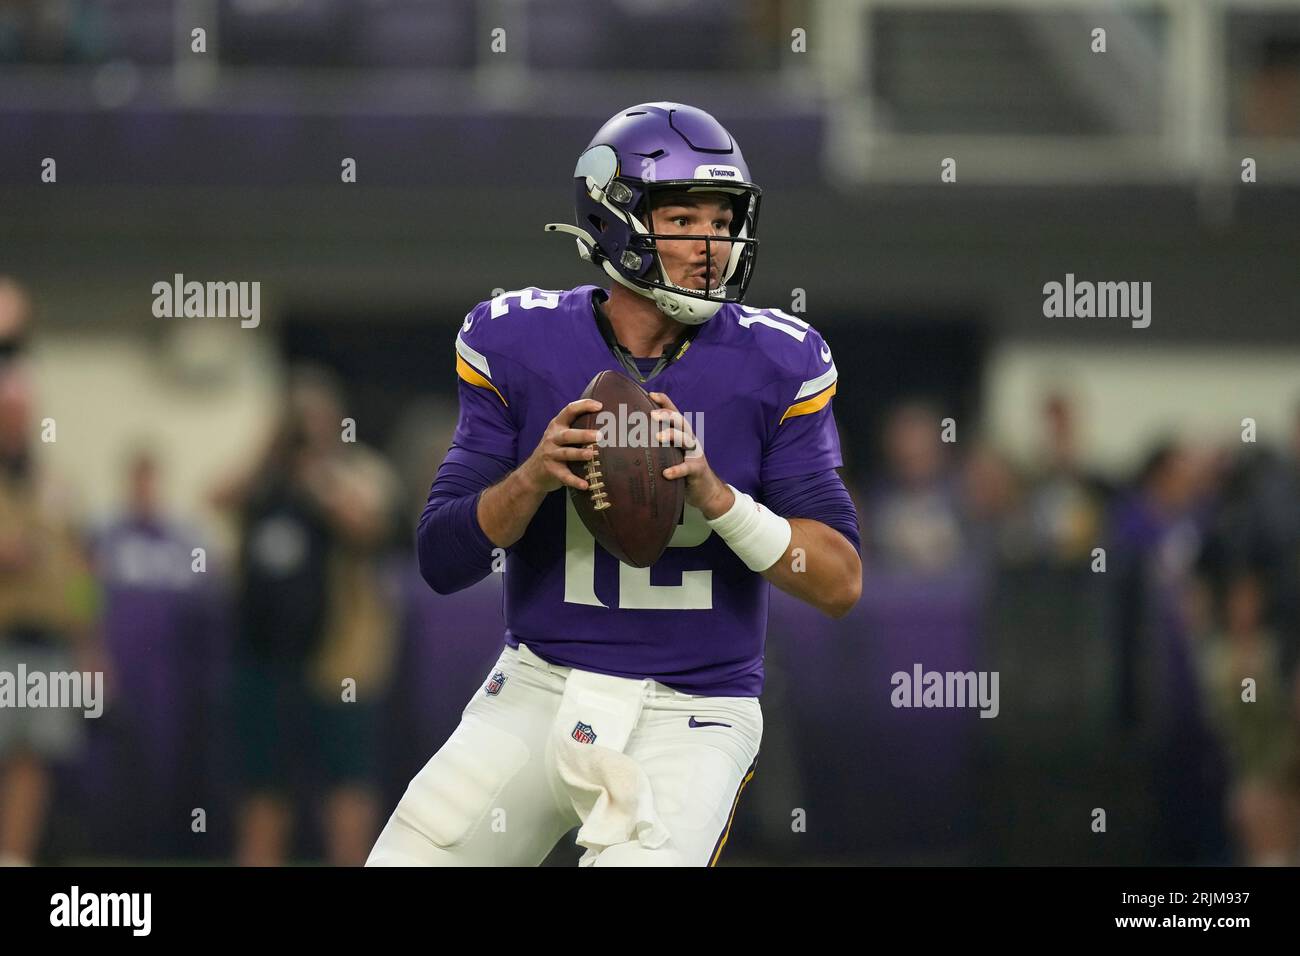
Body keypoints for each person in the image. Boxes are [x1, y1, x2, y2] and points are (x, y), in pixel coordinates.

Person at [368, 102, 862, 867]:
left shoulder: (778, 361)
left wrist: (720, 501)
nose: (713, 245)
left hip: (692, 712)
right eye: (685, 219)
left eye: (723, 221)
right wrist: (530, 479)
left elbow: (836, 581)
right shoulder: (517, 341)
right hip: (539, 688)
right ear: (616, 219)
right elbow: (442, 558)